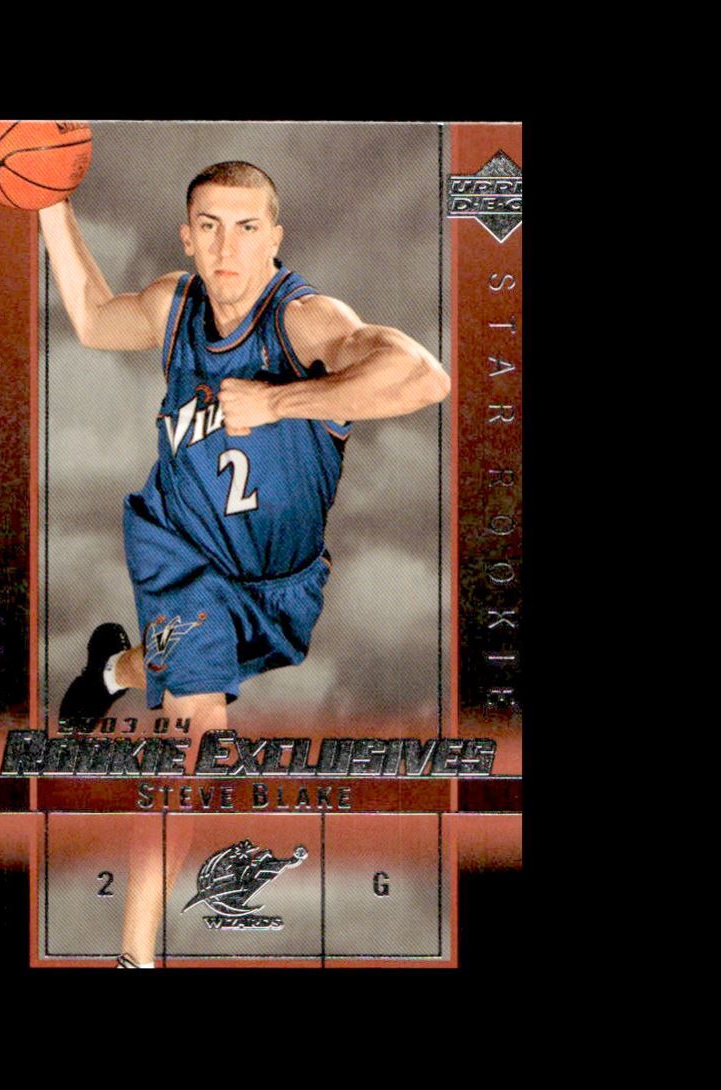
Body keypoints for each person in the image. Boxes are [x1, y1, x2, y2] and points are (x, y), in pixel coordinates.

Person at [39, 161, 450, 966]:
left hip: (280, 581)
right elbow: (91, 318)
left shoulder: (304, 322)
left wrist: (281, 401)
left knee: (176, 665)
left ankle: (112, 669)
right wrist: (48, 198)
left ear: (275, 238)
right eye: (211, 227)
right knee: (196, 733)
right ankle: (134, 959)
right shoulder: (175, 305)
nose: (228, 247)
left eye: (247, 227)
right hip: (178, 548)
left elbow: (424, 377)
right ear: (187, 237)